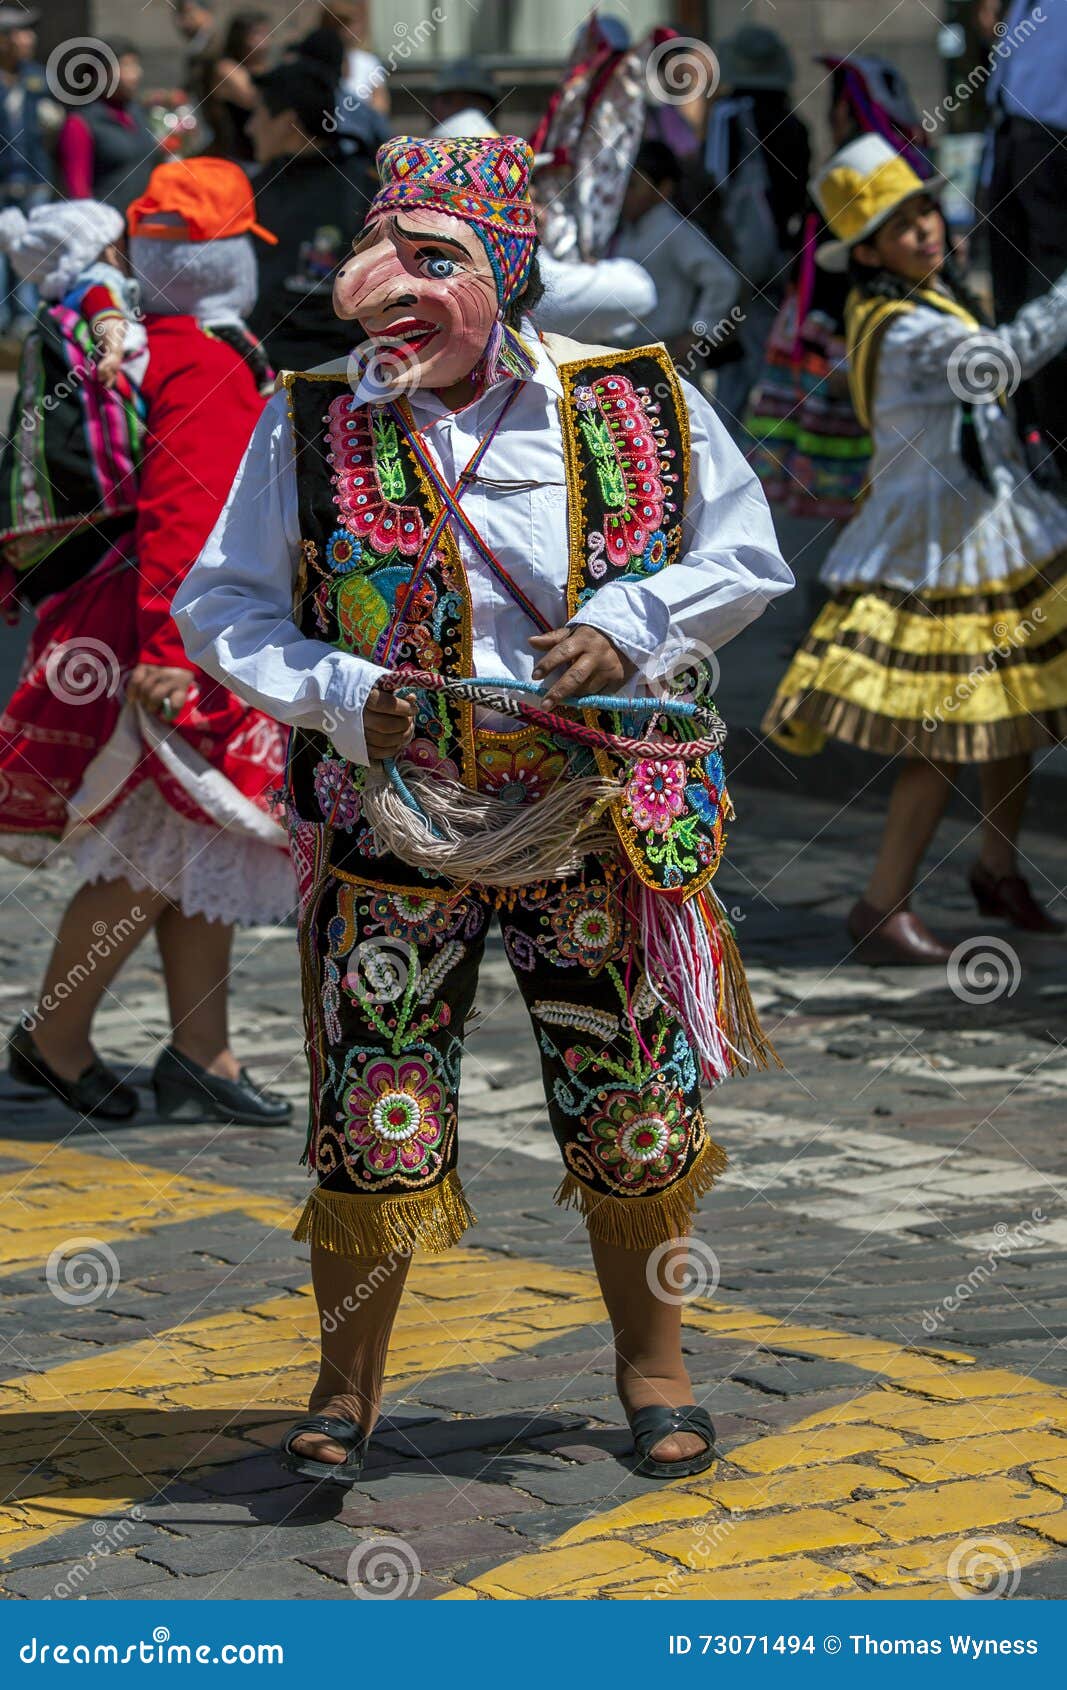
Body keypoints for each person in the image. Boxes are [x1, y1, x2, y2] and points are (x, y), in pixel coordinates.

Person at [174, 134, 792, 1486]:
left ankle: (652, 1366)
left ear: (501, 275)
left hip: (589, 823)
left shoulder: (630, 401)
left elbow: (743, 552)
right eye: (384, 263)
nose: (395, 301)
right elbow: (217, 602)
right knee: (372, 1101)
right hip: (397, 826)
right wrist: (342, 691)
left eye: (434, 266)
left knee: (633, 1101)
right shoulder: (314, 417)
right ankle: (345, 1384)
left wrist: (629, 625)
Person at [1, 158, 295, 1124]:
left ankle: (199, 1049)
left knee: (185, 842)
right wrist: (173, 651)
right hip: (172, 639)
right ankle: (55, 1037)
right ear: (227, 259)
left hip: (159, 627)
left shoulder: (161, 346)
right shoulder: (207, 362)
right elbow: (185, 517)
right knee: (149, 850)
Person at [762, 136, 1067, 961]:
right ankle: (879, 902)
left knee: (1019, 709)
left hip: (989, 527)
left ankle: (996, 871)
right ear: (867, 252)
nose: (925, 229)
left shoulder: (927, 303)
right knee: (939, 732)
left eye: (926, 210)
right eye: (902, 224)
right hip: (936, 548)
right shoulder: (900, 329)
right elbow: (997, 362)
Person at [745, 53, 931, 523]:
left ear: (845, 111)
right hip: (854, 332)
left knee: (826, 467)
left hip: (833, 334)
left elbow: (822, 263)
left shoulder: (854, 176)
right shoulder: (907, 164)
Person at [700, 25, 811, 430]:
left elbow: (714, 180)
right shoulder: (793, 121)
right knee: (769, 353)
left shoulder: (729, 114)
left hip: (736, 253)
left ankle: (731, 446)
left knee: (733, 359)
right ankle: (769, 437)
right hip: (781, 255)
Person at [246, 53, 374, 374]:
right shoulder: (366, 186)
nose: (250, 127)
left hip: (328, 379)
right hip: (318, 374)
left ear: (288, 122)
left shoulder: (366, 193)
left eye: (258, 114)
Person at [988, 0, 1067, 475]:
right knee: (1015, 297)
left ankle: (1055, 438)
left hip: (1052, 144)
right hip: (1014, 139)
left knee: (1052, 299)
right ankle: (1035, 432)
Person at [612, 140, 738, 367]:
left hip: (666, 355)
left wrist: (696, 333)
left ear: (664, 189)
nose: (623, 195)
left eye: (632, 186)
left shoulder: (674, 231)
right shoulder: (628, 230)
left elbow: (723, 280)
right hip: (628, 354)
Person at [55, 39, 161, 208]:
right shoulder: (80, 123)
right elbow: (78, 191)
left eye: (136, 65)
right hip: (107, 227)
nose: (136, 73)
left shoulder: (137, 113)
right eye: (126, 66)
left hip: (144, 225)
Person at [0, 4, 52, 337]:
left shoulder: (37, 77)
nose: (29, 38)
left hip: (34, 180)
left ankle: (27, 321)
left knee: (29, 250)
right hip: (2, 179)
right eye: (21, 32)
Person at [198, 8, 272, 161]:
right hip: (235, 155)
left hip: (259, 154)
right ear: (240, 37)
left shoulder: (261, 68)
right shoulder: (226, 69)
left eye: (267, 34)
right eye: (257, 34)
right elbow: (254, 99)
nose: (264, 41)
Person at [428, 59, 499, 139]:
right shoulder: (415, 149)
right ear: (431, 112)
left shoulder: (510, 150)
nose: (463, 116)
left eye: (472, 102)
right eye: (448, 101)